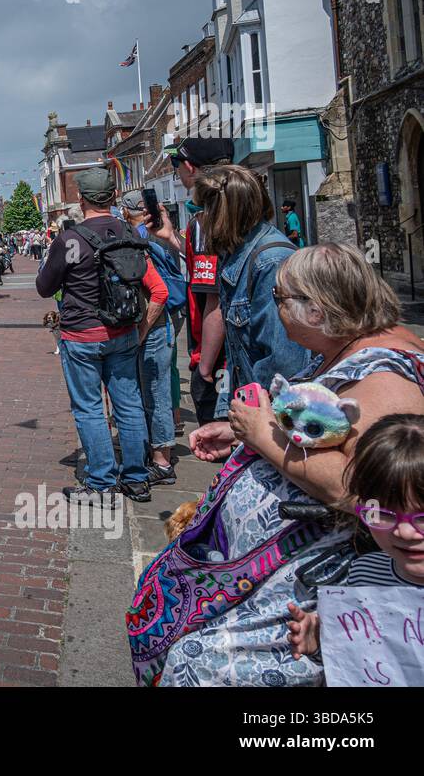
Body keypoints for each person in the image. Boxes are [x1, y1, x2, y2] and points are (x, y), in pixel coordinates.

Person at [161, 244, 424, 686]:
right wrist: (246, 434)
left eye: (281, 298)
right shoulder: (349, 350)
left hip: (319, 572)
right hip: (289, 567)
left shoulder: (387, 381)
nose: (275, 307)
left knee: (200, 667)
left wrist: (263, 436)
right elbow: (325, 431)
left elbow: (362, 487)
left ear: (316, 311)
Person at [35, 170, 164, 503]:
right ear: (114, 195)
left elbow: (44, 287)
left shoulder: (71, 239)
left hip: (82, 334)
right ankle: (136, 479)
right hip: (123, 330)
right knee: (130, 405)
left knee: (90, 408)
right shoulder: (129, 232)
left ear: (81, 199)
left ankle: (102, 482)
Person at [285, 413, 424, 663]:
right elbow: (362, 662)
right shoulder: (364, 573)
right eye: (382, 513)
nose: (404, 532)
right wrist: (320, 643)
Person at [189, 165, 312, 433]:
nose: (200, 219)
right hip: (252, 415)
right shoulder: (235, 253)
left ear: (220, 212)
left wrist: (251, 424)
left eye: (203, 210)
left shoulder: (270, 263)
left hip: (273, 423)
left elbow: (284, 363)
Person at [148, 137, 233, 429]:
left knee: (219, 436)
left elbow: (214, 298)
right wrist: (172, 239)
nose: (177, 175)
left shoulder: (204, 222)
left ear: (188, 167)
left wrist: (204, 365)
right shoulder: (235, 210)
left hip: (219, 353)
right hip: (235, 345)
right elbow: (210, 268)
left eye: (176, 167)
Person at [120, 191, 179, 486]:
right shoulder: (148, 235)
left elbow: (160, 292)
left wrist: (142, 331)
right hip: (154, 327)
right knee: (150, 394)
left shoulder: (143, 240)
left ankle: (163, 462)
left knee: (156, 395)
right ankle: (154, 451)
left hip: (156, 329)